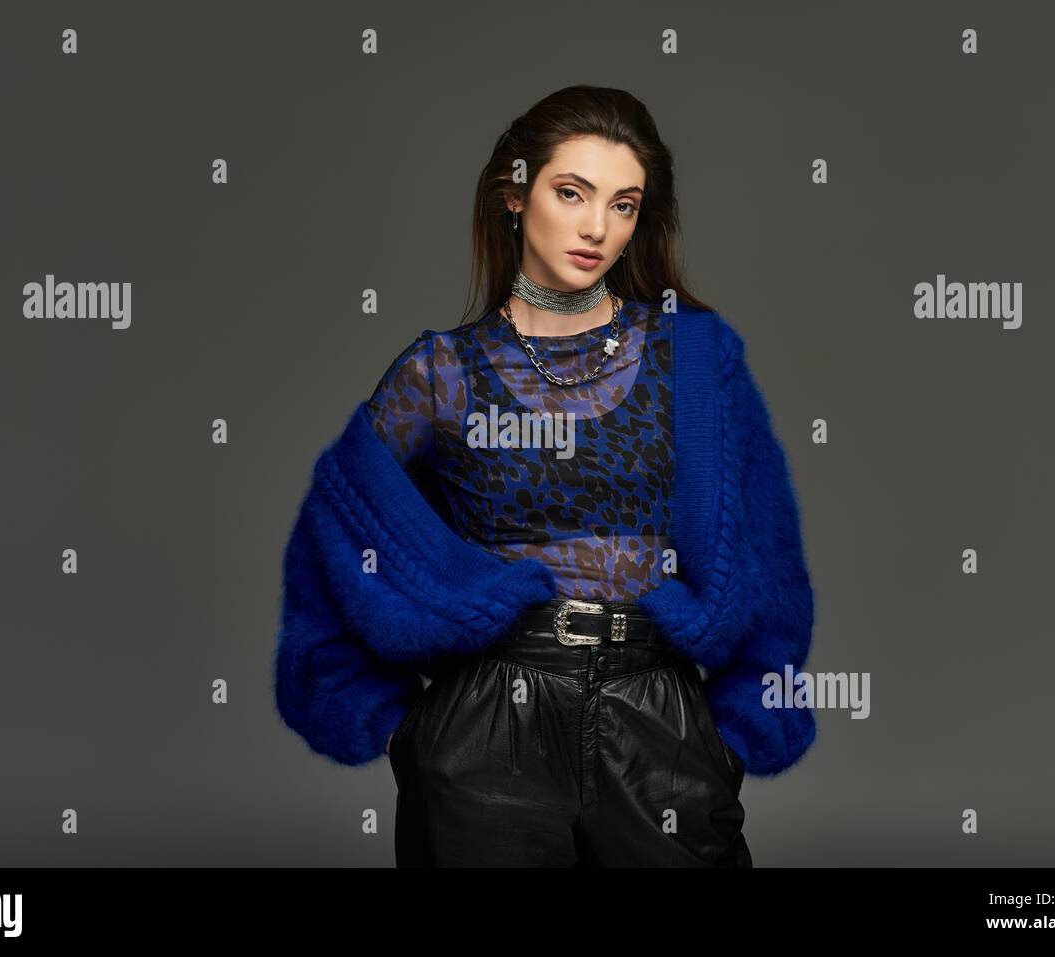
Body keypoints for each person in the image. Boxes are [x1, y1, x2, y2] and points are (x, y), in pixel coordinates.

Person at [275, 85, 816, 867]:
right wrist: (406, 732)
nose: (598, 227)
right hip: (488, 732)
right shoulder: (440, 372)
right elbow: (331, 542)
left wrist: (726, 739)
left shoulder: (694, 362)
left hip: (658, 721)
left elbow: (773, 572)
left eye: (624, 205)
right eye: (573, 193)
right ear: (515, 195)